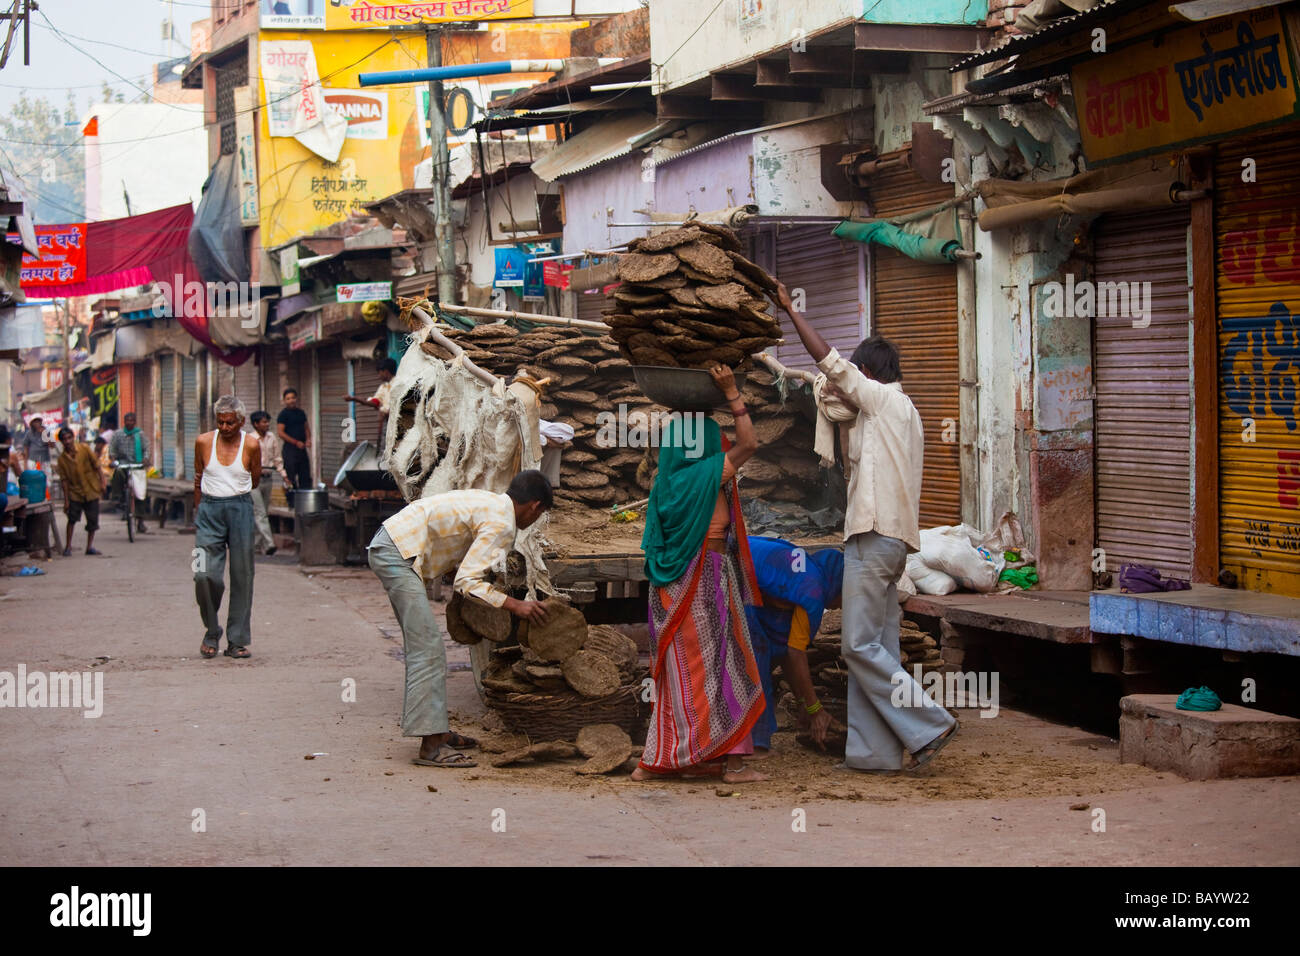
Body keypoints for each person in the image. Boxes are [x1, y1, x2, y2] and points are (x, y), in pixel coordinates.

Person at [776, 281, 958, 773]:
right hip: (894, 544)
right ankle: (873, 753)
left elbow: (829, 362)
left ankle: (930, 723)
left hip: (874, 538)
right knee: (878, 649)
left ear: (870, 374)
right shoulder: (905, 413)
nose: (842, 387)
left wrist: (792, 310)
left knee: (857, 646)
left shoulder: (880, 402)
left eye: (855, 377)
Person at [632, 366, 767, 785]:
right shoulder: (706, 474)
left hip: (670, 587)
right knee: (723, 668)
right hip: (705, 579)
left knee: (678, 675)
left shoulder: (667, 483)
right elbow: (750, 442)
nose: (720, 447)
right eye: (714, 442)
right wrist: (730, 392)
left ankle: (658, 760)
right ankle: (732, 762)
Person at [368, 470, 553, 768]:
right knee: (427, 650)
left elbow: (460, 556)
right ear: (534, 506)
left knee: (423, 646)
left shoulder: (492, 502)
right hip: (397, 553)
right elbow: (466, 583)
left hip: (393, 544)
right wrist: (516, 605)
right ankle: (431, 745)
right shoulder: (503, 523)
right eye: (540, 513)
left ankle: (437, 731)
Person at [744, 537, 846, 756]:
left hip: (732, 570)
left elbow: (785, 652)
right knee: (756, 658)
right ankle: (755, 745)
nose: (840, 606)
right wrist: (815, 709)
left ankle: (750, 741)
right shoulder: (813, 591)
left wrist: (804, 703)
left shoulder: (806, 575)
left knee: (771, 647)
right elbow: (795, 653)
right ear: (839, 584)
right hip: (726, 574)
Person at [193, 396, 262, 660]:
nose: (224, 427)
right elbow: (198, 478)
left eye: (230, 423)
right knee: (203, 575)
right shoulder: (203, 442)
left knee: (242, 575)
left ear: (241, 422)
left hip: (240, 509)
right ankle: (212, 630)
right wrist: (198, 512)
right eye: (220, 422)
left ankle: (237, 640)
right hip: (209, 510)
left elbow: (254, 481)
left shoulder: (252, 445)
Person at [55, 427, 105, 556]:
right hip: (75, 493)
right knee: (71, 519)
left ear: (73, 438)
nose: (67, 441)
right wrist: (66, 501)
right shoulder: (62, 460)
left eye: (69, 438)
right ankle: (68, 547)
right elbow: (64, 481)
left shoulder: (84, 449)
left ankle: (89, 547)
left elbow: (97, 465)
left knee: (92, 521)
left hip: (91, 489)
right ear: (61, 441)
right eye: (64, 439)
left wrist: (103, 482)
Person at [248, 411, 287, 556]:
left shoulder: (272, 438)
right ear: (255, 424)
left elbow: (277, 459)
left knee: (262, 511)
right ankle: (270, 543)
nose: (266, 424)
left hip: (268, 479)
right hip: (253, 480)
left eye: (267, 422)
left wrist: (284, 475)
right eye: (263, 422)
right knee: (260, 512)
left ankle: (256, 546)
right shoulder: (249, 439)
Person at [109, 412, 150, 535]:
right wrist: (112, 459)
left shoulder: (140, 435)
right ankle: (118, 497)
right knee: (118, 474)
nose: (129, 423)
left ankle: (140, 521)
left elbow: (146, 449)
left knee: (140, 492)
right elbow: (112, 449)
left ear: (135, 422)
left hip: (137, 465)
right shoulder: (118, 434)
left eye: (132, 420)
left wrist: (146, 459)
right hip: (122, 463)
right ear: (124, 422)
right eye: (127, 421)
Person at [342, 357, 398, 445]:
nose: (378, 376)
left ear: (386, 372)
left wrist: (385, 412)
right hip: (386, 423)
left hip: (397, 423)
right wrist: (354, 399)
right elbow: (375, 402)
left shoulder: (399, 384)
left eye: (379, 373)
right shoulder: (383, 387)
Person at [276, 388, 313, 490]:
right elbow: (281, 433)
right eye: (288, 399)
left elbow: (306, 428)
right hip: (290, 450)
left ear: (296, 398)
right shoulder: (283, 415)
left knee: (305, 476)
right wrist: (296, 442)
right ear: (284, 401)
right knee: (290, 478)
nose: (291, 400)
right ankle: (292, 503)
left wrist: (308, 439)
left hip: (302, 450)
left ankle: (305, 502)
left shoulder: (301, 413)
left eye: (293, 398)